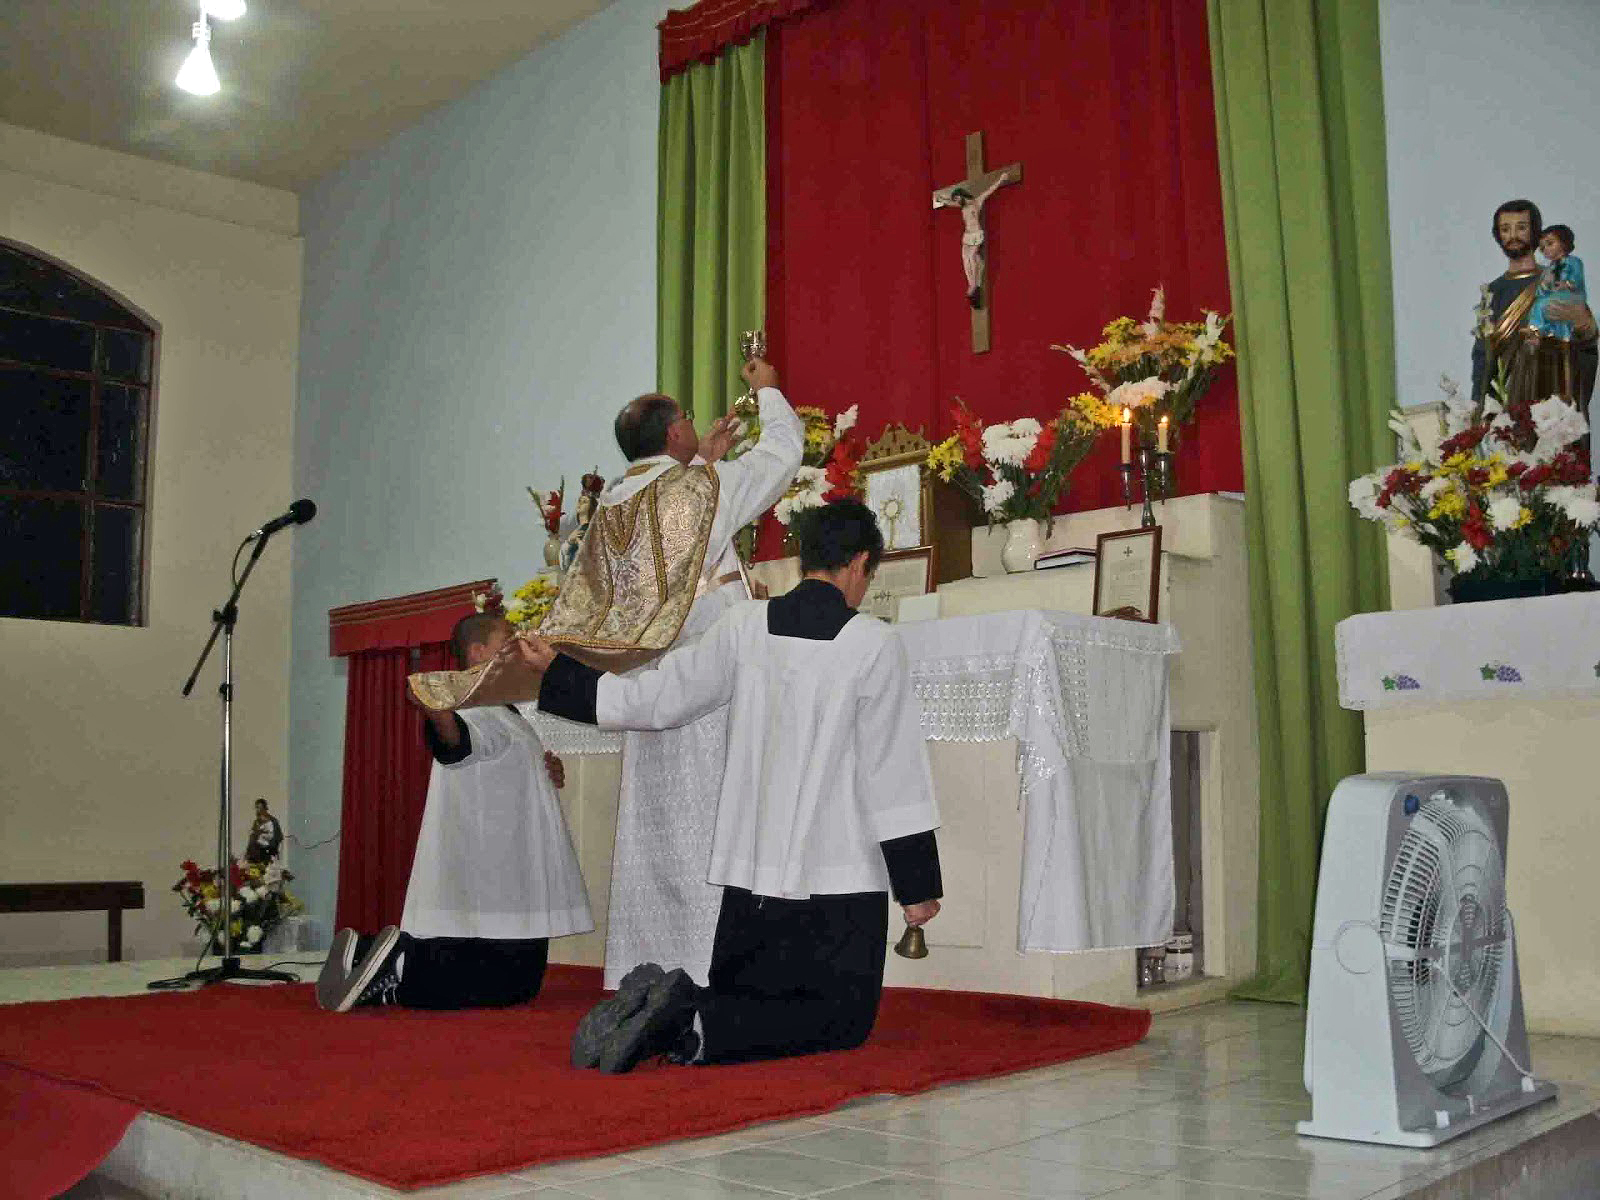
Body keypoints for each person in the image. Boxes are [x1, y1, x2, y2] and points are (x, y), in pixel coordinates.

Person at [526, 499, 943, 1073]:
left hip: (749, 884)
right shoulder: (873, 643)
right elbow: (892, 774)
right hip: (837, 886)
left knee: (746, 994)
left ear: (805, 559)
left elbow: (658, 700)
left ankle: (676, 1010)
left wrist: (560, 672)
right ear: (859, 564)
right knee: (843, 1022)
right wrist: (917, 886)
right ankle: (683, 1018)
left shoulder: (744, 626)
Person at [542, 357, 804, 990]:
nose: (692, 424)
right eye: (685, 419)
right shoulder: (699, 489)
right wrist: (768, 390)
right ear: (675, 433)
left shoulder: (611, 506)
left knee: (657, 822)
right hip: (711, 670)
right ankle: (717, 966)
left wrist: (704, 462)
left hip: (645, 674)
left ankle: (649, 967)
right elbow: (781, 455)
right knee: (720, 813)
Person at [316, 612, 593, 1012]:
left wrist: (543, 771)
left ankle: (376, 966)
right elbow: (457, 744)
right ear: (478, 653)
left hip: (511, 874)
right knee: (506, 986)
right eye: (509, 638)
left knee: (519, 985)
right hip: (495, 875)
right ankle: (387, 960)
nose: (519, 646)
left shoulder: (504, 711)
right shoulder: (475, 707)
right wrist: (438, 712)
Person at [1471, 199, 1597, 410]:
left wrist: (1583, 325)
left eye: (1521, 227)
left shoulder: (1554, 279)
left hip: (1552, 393)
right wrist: (1479, 407)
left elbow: (1584, 339)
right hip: (1508, 408)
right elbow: (1484, 356)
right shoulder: (1493, 291)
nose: (1513, 235)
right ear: (1498, 235)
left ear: (1535, 232)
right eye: (1505, 229)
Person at [244, 798, 282, 865]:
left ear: (264, 808)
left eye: (260, 808)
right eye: (257, 808)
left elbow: (277, 838)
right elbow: (253, 836)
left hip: (268, 850)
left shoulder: (273, 821)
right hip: (256, 851)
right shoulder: (256, 822)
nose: (258, 810)